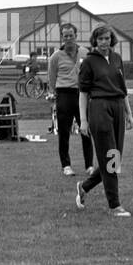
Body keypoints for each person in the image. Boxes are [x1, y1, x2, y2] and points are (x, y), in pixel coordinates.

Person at [75, 26, 133, 217]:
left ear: (112, 40)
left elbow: (122, 89)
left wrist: (129, 113)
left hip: (117, 107)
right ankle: (114, 206)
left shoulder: (117, 59)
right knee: (109, 157)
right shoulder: (89, 62)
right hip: (99, 108)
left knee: (114, 158)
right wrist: (83, 120)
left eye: (107, 38)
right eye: (100, 39)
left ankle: (84, 186)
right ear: (94, 41)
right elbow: (83, 93)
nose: (104, 42)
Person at [48, 23, 95, 177]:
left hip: (82, 94)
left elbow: (90, 74)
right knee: (64, 131)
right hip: (64, 94)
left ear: (76, 35)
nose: (68, 38)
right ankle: (66, 165)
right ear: (62, 37)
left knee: (86, 130)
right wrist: (53, 95)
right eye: (65, 35)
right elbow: (52, 79)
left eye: (71, 35)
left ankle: (89, 165)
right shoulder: (55, 57)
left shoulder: (85, 53)